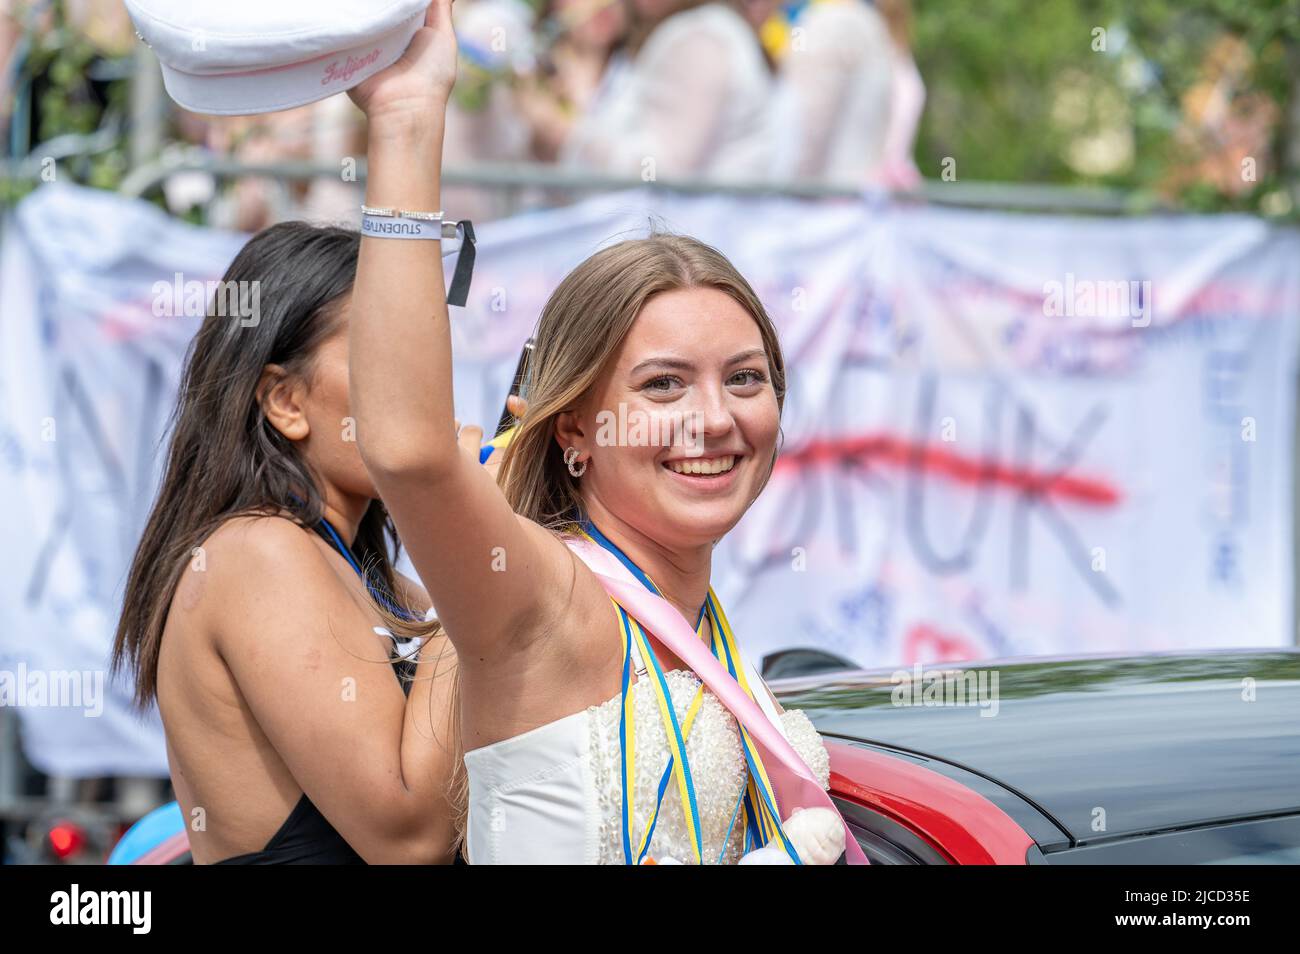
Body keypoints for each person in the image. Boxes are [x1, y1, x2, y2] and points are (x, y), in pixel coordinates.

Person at [346, 0, 849, 864]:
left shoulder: (709, 627)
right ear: (575, 430)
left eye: (744, 378)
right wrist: (405, 121)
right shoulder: (542, 594)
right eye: (663, 386)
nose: (716, 419)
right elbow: (410, 449)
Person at [112, 221, 504, 864]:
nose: (424, 390)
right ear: (286, 402)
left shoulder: (375, 580)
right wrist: (470, 554)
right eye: (383, 356)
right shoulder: (257, 555)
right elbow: (409, 840)